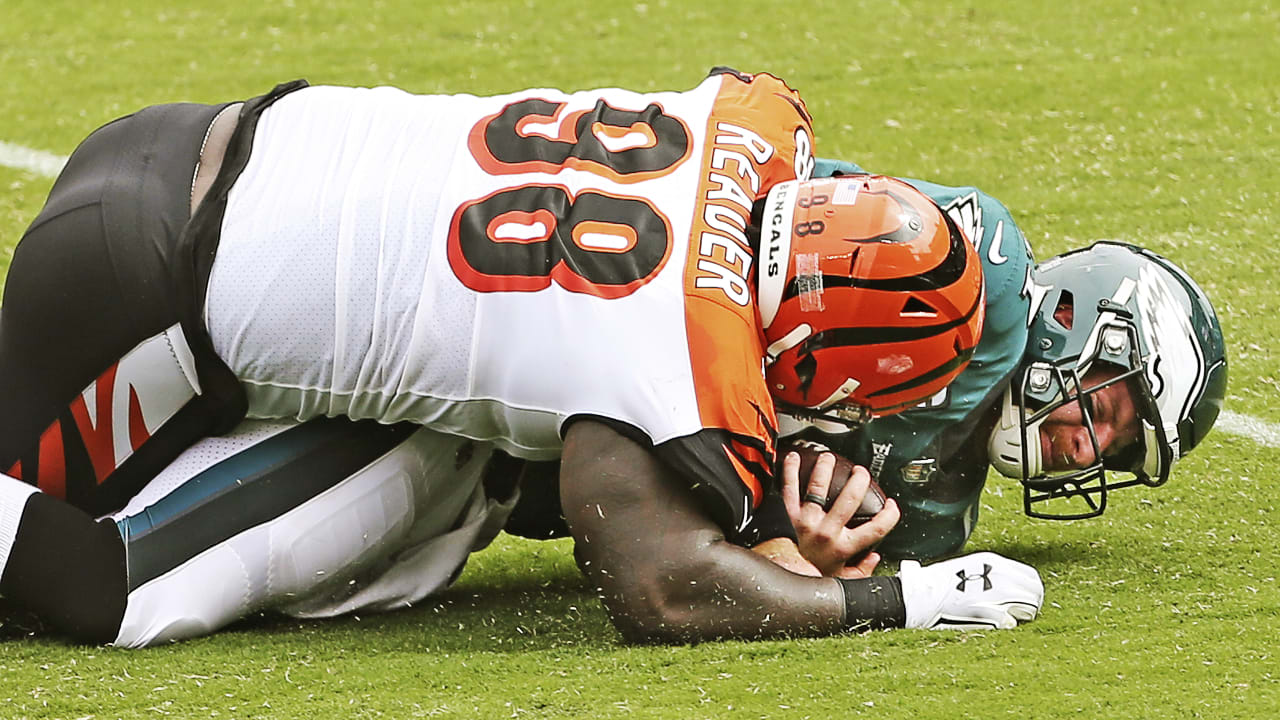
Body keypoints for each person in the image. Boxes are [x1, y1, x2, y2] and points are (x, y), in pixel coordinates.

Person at [0, 69, 1042, 647]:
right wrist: (904, 599)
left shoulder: (745, 125)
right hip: (142, 302)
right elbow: (660, 589)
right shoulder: (676, 363)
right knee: (100, 587)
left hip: (196, 136)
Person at [783, 161, 1229, 561]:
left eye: (1111, 452)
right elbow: (799, 204)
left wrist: (792, 550)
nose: (1085, 452)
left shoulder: (932, 521)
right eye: (1096, 411)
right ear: (1067, 318)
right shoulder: (987, 275)